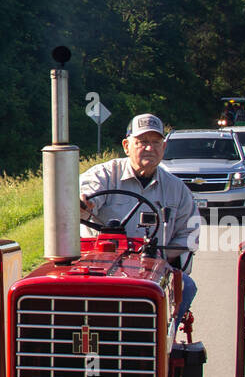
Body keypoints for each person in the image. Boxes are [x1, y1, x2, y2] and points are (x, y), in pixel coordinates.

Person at [79, 112, 201, 331]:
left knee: (187, 286)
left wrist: (160, 257)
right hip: (100, 267)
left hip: (153, 269)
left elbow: (189, 234)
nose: (149, 148)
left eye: (156, 142)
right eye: (142, 142)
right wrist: (84, 203)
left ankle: (163, 346)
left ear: (163, 148)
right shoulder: (105, 175)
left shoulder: (177, 190)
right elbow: (85, 198)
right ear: (127, 146)